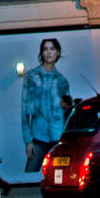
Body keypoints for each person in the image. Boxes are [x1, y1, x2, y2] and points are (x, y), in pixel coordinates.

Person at [21, 37, 71, 172]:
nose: (49, 52)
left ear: (58, 52)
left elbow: (66, 112)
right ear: (42, 53)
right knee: (31, 170)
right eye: (45, 49)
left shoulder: (62, 81)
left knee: (58, 173)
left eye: (52, 49)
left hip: (57, 136)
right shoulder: (31, 77)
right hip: (38, 135)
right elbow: (24, 110)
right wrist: (28, 140)